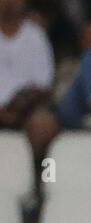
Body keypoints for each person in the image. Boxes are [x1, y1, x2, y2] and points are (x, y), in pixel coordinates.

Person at [0, 0, 58, 158]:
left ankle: (40, 178)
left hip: (26, 111)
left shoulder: (35, 35)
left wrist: (16, 109)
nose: (10, 3)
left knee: (45, 125)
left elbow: (43, 86)